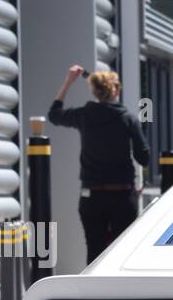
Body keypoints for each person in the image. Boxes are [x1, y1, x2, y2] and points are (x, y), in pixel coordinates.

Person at [48, 65, 150, 262]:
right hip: (123, 195)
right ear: (117, 91)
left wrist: (68, 81)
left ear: (95, 91)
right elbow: (143, 158)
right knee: (122, 254)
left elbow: (54, 115)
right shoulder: (128, 119)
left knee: (95, 253)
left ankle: (94, 292)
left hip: (92, 196)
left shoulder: (85, 115)